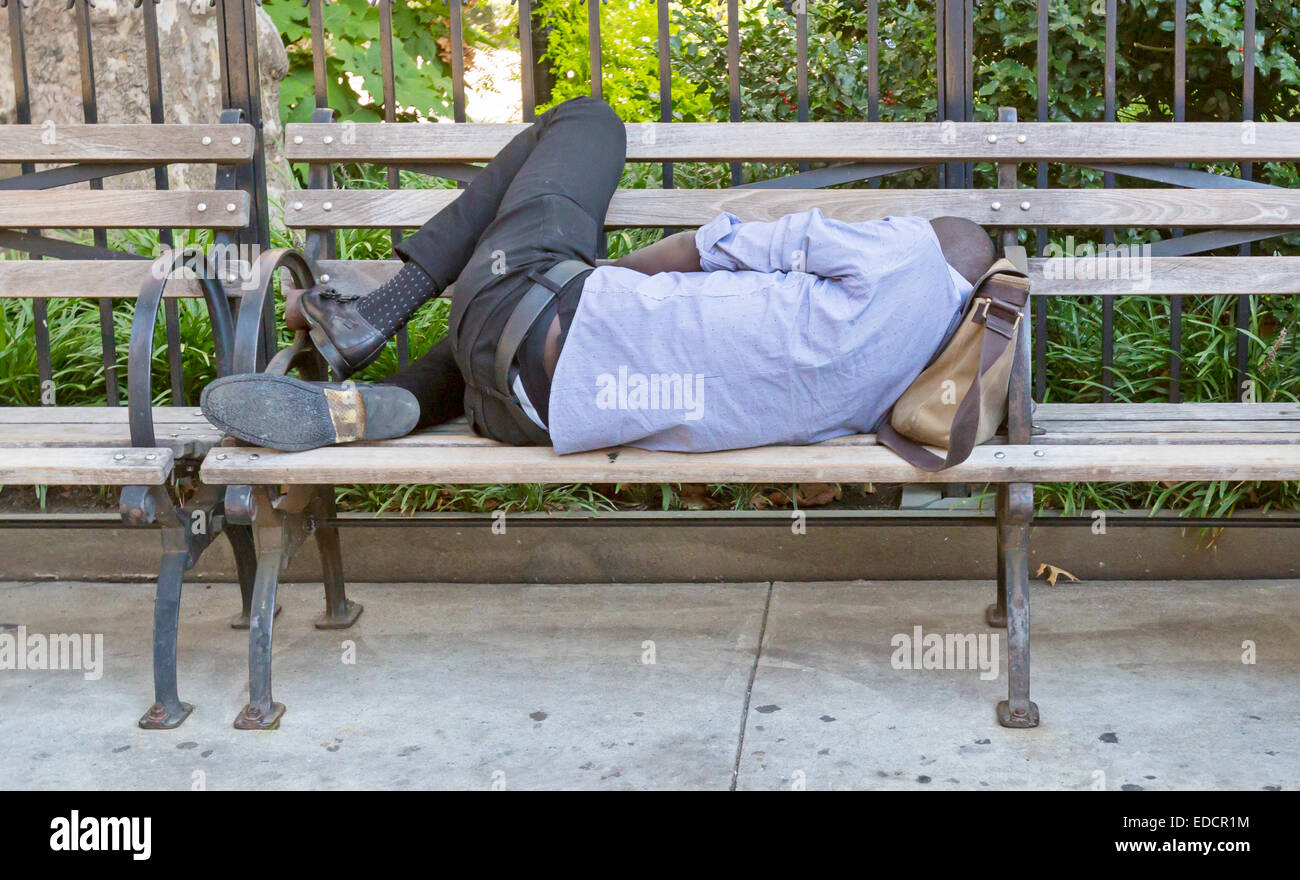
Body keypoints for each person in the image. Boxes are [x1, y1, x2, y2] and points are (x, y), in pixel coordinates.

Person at [201, 96, 995, 454]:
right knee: (511, 338)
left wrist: (594, 281)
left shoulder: (906, 255)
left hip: (524, 311)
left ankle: (381, 310)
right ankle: (403, 399)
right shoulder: (885, 393)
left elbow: (706, 245)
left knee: (585, 120)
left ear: (933, 246)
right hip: (529, 417)